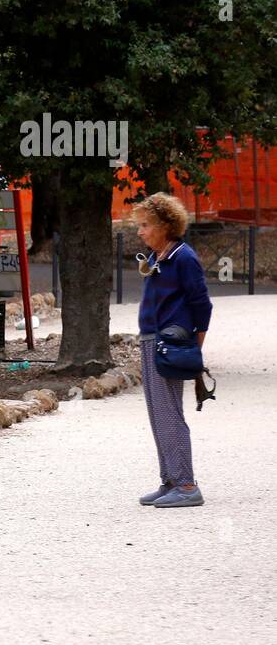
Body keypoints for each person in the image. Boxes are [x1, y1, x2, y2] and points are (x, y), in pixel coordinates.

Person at [132, 192, 212, 508]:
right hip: (151, 340)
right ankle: (170, 480)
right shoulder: (158, 258)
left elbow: (202, 305)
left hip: (170, 345)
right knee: (158, 415)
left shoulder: (184, 258)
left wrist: (196, 348)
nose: (140, 232)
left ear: (165, 225)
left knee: (170, 415)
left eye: (145, 225)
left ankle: (188, 485)